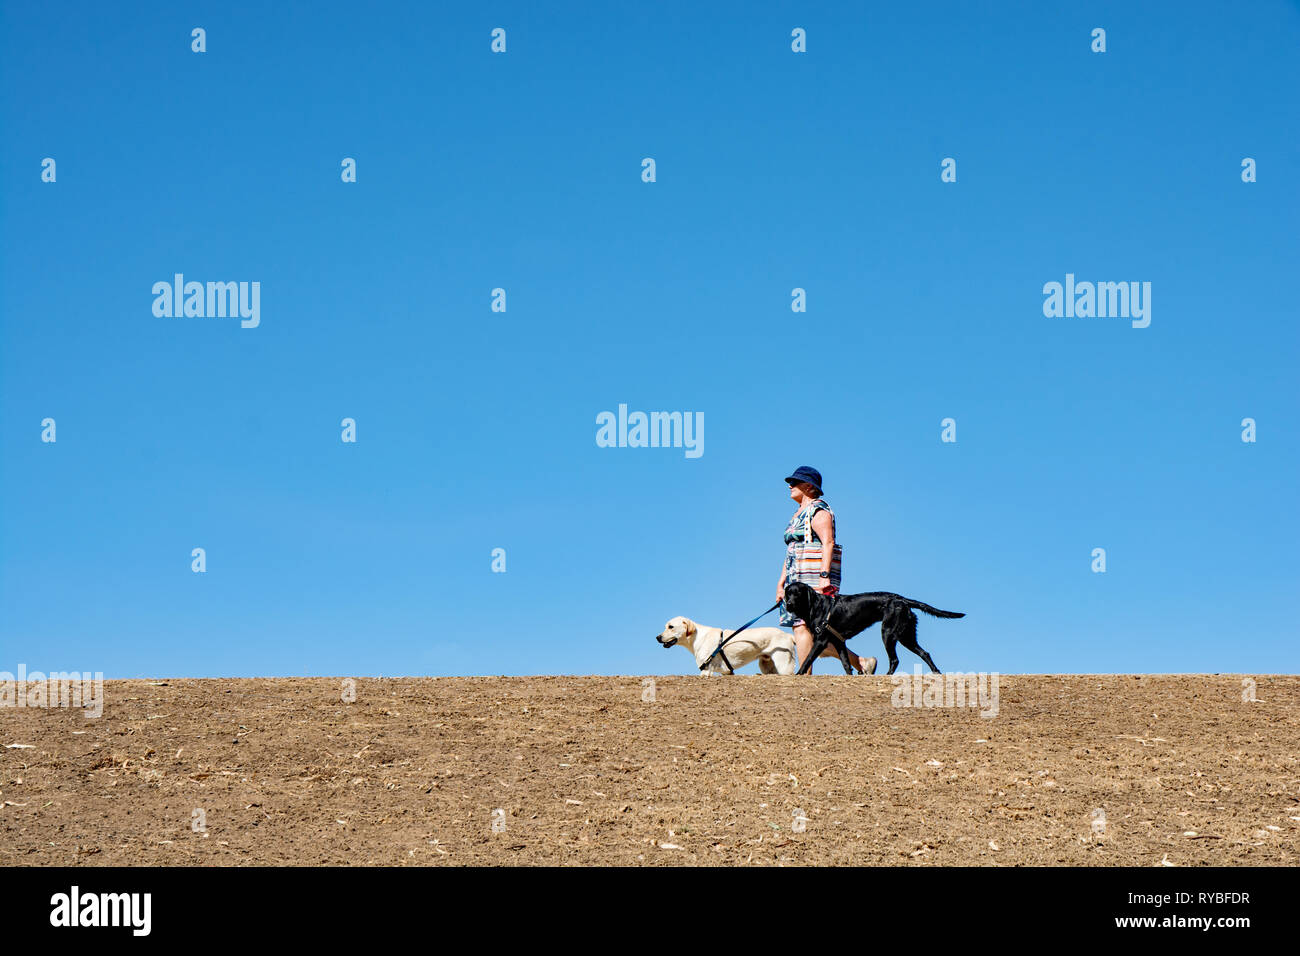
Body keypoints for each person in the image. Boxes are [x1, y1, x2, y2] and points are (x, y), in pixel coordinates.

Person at [775, 465, 874, 674]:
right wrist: (781, 582)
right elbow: (791, 550)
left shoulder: (819, 510)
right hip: (796, 575)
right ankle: (861, 663)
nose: (790, 486)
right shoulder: (797, 514)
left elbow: (828, 542)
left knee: (804, 625)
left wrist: (824, 576)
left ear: (810, 487)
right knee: (813, 630)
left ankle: (804, 676)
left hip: (813, 575)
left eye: (795, 482)